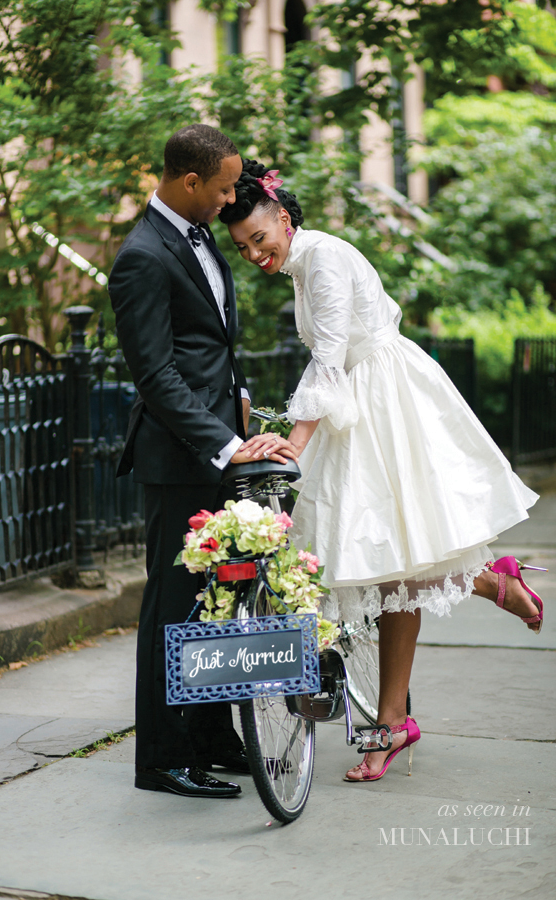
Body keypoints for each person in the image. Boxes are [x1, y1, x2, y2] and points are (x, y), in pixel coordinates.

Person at [219, 159, 545, 783]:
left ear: (283, 220)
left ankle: (392, 719)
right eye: (242, 247)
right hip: (356, 409)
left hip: (383, 406)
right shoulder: (302, 264)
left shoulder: (325, 259)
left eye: (260, 239)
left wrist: (294, 442)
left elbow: (333, 358)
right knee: (383, 567)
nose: (254, 253)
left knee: (392, 562)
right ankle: (485, 590)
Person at [108, 129, 296, 799]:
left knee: (221, 602)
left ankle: (213, 737)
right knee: (174, 606)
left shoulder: (197, 232)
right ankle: (160, 758)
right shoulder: (141, 258)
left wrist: (240, 408)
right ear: (190, 182)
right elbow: (157, 376)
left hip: (223, 447)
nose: (229, 200)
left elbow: (211, 344)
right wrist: (223, 445)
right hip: (182, 459)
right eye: (221, 188)